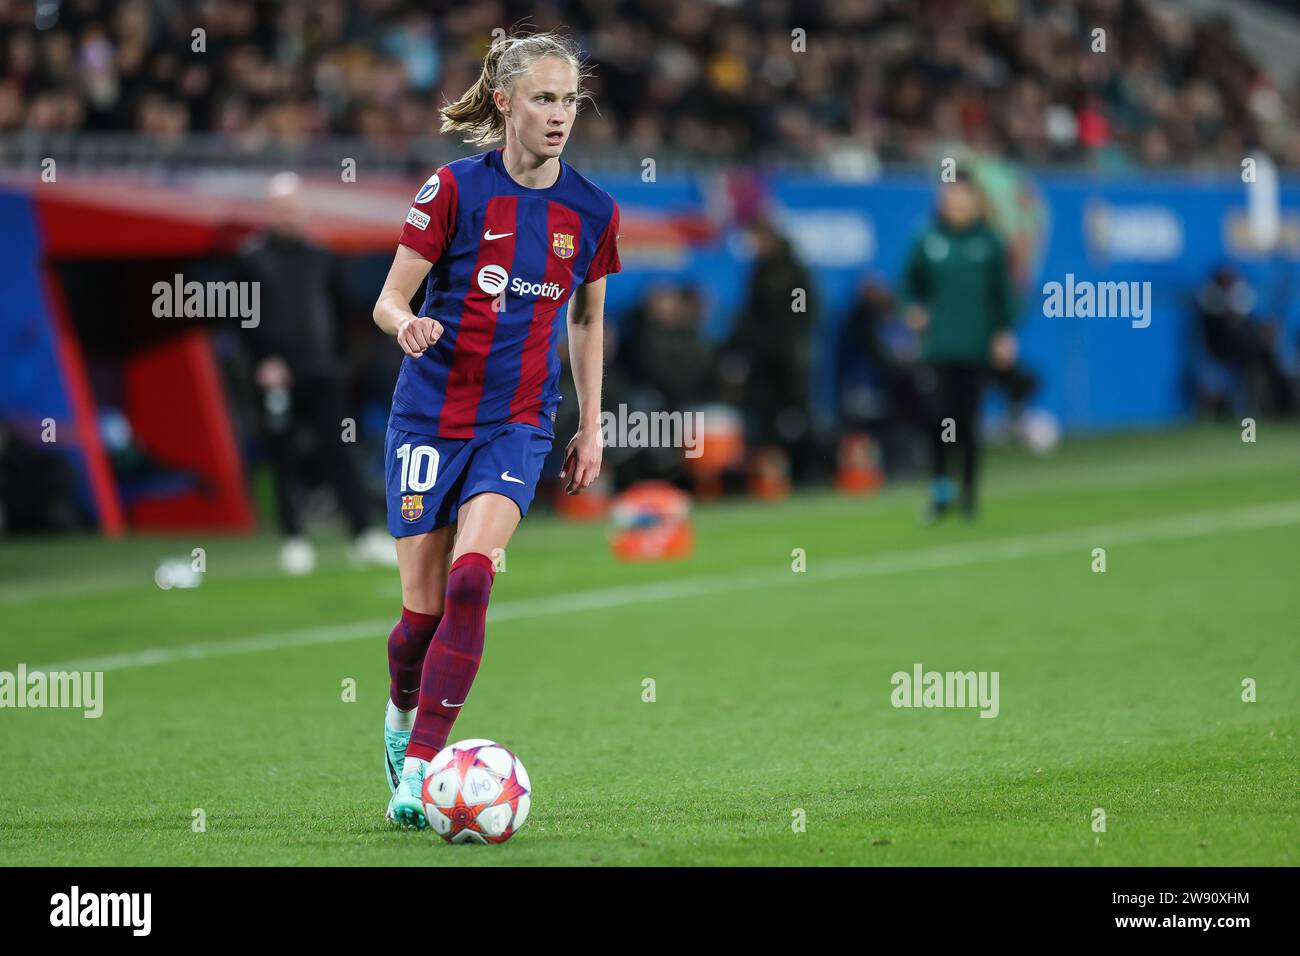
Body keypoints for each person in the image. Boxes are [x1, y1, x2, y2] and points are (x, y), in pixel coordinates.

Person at [370, 32, 620, 829]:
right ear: (507, 101)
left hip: (518, 422)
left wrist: (592, 424)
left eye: (570, 100)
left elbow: (587, 321)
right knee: (419, 620)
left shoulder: (591, 210)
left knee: (474, 578)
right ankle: (400, 716)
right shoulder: (450, 189)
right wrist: (407, 325)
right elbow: (388, 299)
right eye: (544, 98)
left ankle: (420, 770)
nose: (559, 115)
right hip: (429, 419)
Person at [237, 171, 395, 574]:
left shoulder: (322, 257)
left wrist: (342, 363)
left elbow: (340, 316)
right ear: (269, 212)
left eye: (292, 207)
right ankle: (293, 538)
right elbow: (242, 319)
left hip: (323, 375)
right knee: (283, 456)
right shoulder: (251, 259)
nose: (287, 215)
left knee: (339, 453)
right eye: (280, 208)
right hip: (276, 379)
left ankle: (362, 534)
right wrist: (262, 362)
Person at [899, 171, 1017, 522]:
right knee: (939, 420)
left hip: (974, 347)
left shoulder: (988, 242)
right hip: (938, 347)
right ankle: (940, 491)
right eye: (951, 196)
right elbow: (907, 284)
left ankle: (969, 492)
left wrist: (1002, 333)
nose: (956, 203)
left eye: (963, 196)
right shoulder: (927, 238)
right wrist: (912, 308)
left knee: (968, 422)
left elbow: (1003, 294)